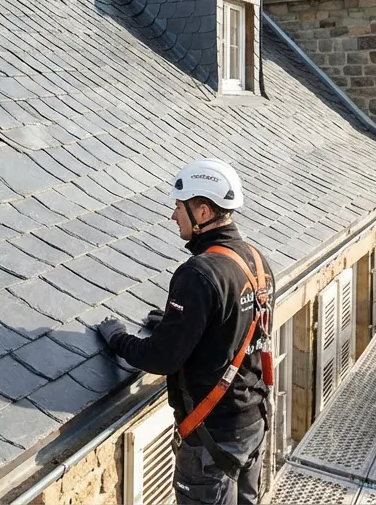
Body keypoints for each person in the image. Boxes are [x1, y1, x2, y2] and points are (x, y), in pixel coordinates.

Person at [97, 158, 273, 505]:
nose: (173, 215)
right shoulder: (255, 260)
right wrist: (173, 323)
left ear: (203, 212)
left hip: (213, 440)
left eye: (179, 207)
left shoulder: (199, 274)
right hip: (252, 423)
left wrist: (116, 337)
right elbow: (231, 326)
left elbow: (161, 358)